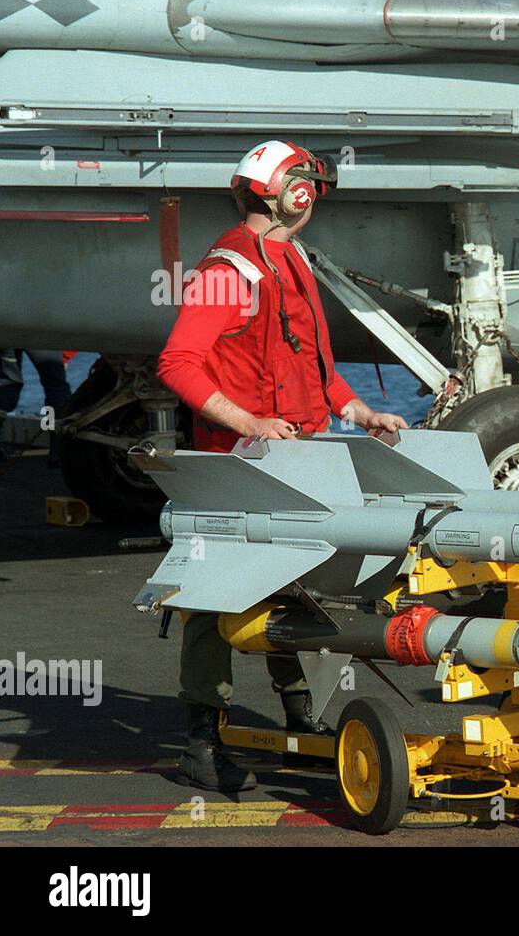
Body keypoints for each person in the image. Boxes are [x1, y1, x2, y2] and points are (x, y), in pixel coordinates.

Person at [157, 140, 409, 793]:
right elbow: (177, 362)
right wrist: (248, 423)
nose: (314, 193)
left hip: (293, 463)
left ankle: (301, 721)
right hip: (234, 468)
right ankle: (200, 743)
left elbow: (315, 370)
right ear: (283, 192)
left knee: (296, 588)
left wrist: (363, 415)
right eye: (307, 182)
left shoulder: (289, 260)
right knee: (215, 603)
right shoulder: (228, 270)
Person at [0, 348, 71, 414]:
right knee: (55, 386)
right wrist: (65, 356)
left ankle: (1, 420)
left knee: (7, 383)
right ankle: (55, 422)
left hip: (8, 338)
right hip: (42, 339)